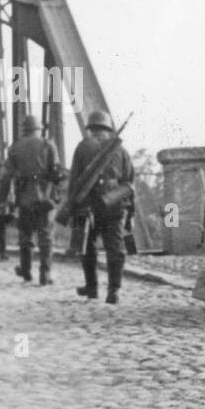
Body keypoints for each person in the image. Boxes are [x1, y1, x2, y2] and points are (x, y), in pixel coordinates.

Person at [68, 110, 135, 305]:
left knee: (87, 247)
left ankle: (92, 289)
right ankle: (113, 291)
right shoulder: (120, 149)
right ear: (108, 128)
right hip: (114, 205)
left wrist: (72, 208)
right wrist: (130, 210)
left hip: (87, 206)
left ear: (90, 128)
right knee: (115, 248)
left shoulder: (82, 147)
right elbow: (129, 182)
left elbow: (74, 181)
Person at [0, 115, 64, 285]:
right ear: (39, 129)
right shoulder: (48, 145)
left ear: (24, 130)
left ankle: (26, 272)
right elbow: (57, 172)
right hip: (45, 197)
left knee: (25, 235)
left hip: (24, 197)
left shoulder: (15, 148)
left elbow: (6, 177)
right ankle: (45, 274)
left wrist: (1, 199)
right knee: (46, 235)